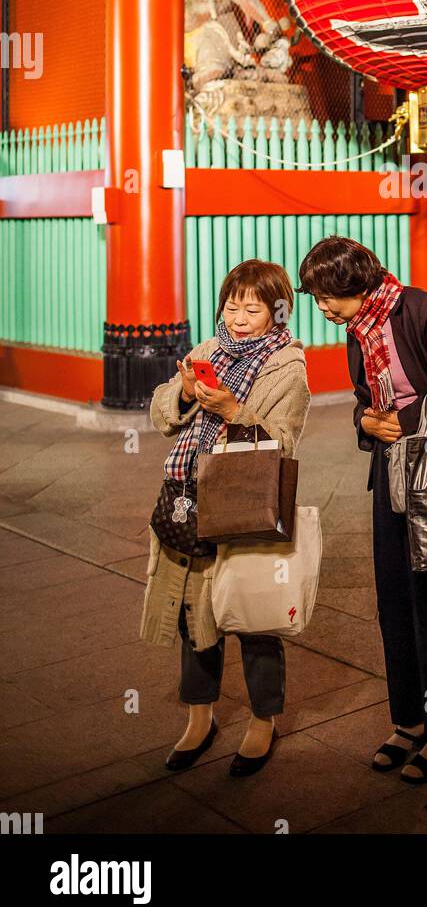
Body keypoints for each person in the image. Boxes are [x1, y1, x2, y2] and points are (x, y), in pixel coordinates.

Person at [299, 235, 427, 784]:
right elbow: (364, 396)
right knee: (392, 597)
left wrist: (400, 424)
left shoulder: (417, 307)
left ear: (353, 283)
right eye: (314, 299)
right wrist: (364, 421)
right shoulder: (359, 330)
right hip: (391, 472)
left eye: (325, 296)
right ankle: (408, 720)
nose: (322, 308)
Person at [143, 259, 310, 777]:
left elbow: (283, 441)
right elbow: (159, 414)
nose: (238, 317)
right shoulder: (208, 351)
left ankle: (264, 721)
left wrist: (236, 411)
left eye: (252, 307)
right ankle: (199, 718)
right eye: (232, 305)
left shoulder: (287, 366)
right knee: (194, 615)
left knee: (252, 616)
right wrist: (187, 393)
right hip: (186, 500)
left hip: (243, 503)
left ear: (276, 310)